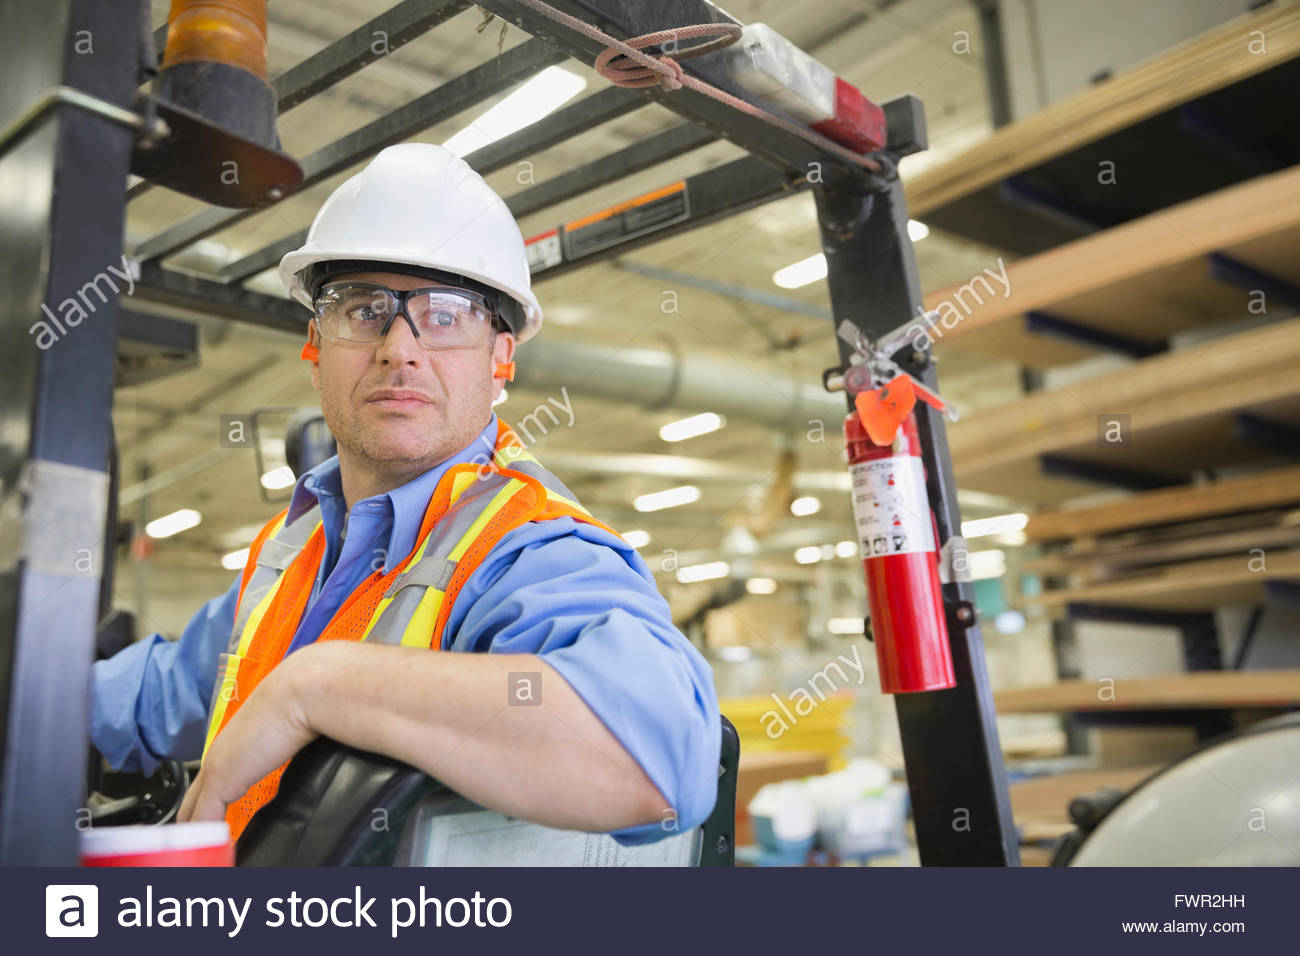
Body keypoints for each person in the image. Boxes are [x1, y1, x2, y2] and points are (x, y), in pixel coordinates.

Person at [92, 143, 721, 847]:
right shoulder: (291, 550)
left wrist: (317, 686)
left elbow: (662, 760)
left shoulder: (524, 550)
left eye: (446, 315)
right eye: (362, 311)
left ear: (501, 358)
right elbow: (157, 693)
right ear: (315, 345)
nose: (400, 347)